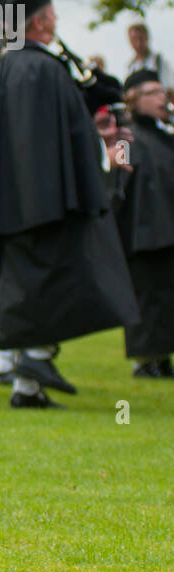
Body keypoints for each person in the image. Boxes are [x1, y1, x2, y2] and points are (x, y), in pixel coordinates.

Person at [0, 0, 139, 407]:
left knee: (30, 290)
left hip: (21, 203)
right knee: (53, 284)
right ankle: (34, 364)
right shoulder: (39, 68)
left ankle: (28, 385)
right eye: (53, 13)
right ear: (40, 21)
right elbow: (45, 140)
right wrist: (90, 168)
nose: (57, 19)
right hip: (44, 203)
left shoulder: (13, 65)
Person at [112, 70, 174, 377]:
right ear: (135, 99)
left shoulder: (165, 135)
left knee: (167, 296)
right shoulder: (126, 137)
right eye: (153, 92)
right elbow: (117, 184)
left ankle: (162, 358)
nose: (162, 97)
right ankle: (145, 360)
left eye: (163, 91)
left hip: (166, 228)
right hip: (141, 230)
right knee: (147, 296)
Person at [125, 23, 174, 91]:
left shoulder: (159, 62)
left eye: (141, 38)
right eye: (134, 39)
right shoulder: (131, 66)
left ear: (147, 38)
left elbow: (169, 89)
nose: (138, 43)